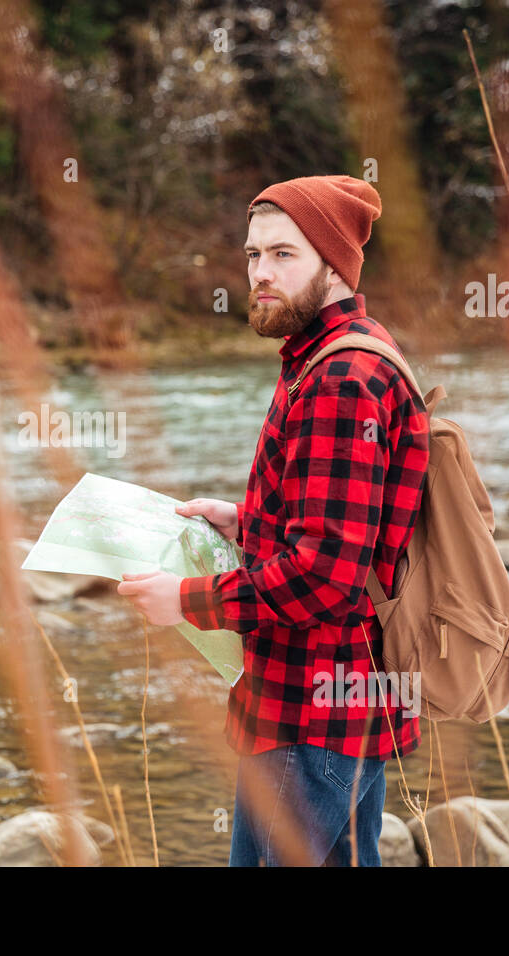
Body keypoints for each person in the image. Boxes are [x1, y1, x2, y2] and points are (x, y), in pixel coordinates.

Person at [117, 175, 430, 866]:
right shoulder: (330, 356)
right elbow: (346, 530)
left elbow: (325, 577)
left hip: (310, 713)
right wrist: (245, 519)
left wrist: (184, 601)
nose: (260, 273)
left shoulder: (340, 378)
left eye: (283, 254)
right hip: (340, 703)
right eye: (254, 254)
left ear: (334, 263)